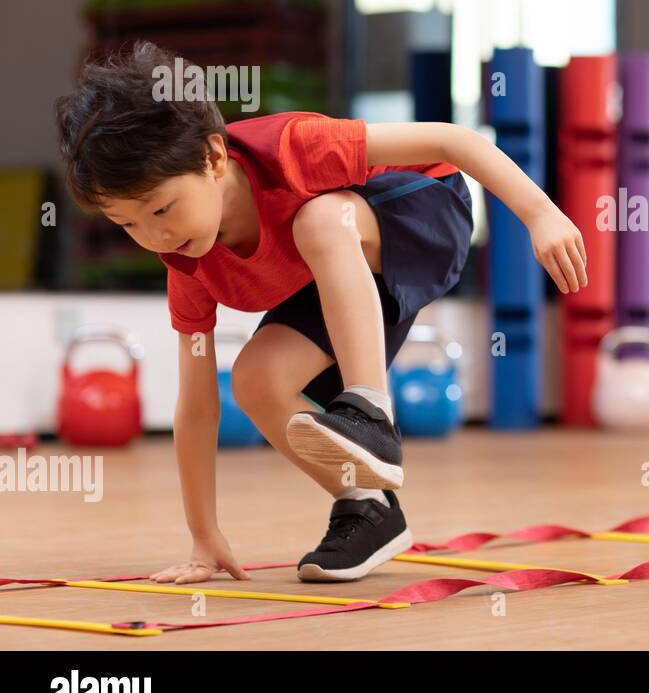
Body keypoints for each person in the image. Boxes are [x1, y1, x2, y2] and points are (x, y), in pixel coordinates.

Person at [54, 42, 586, 581]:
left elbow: (454, 138)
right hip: (346, 274)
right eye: (128, 224)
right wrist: (203, 535)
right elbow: (196, 406)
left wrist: (540, 215)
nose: (155, 235)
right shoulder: (187, 266)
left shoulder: (294, 149)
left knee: (322, 220)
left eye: (162, 208)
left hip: (425, 212)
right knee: (256, 378)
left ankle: (370, 412)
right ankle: (367, 506)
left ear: (214, 158)